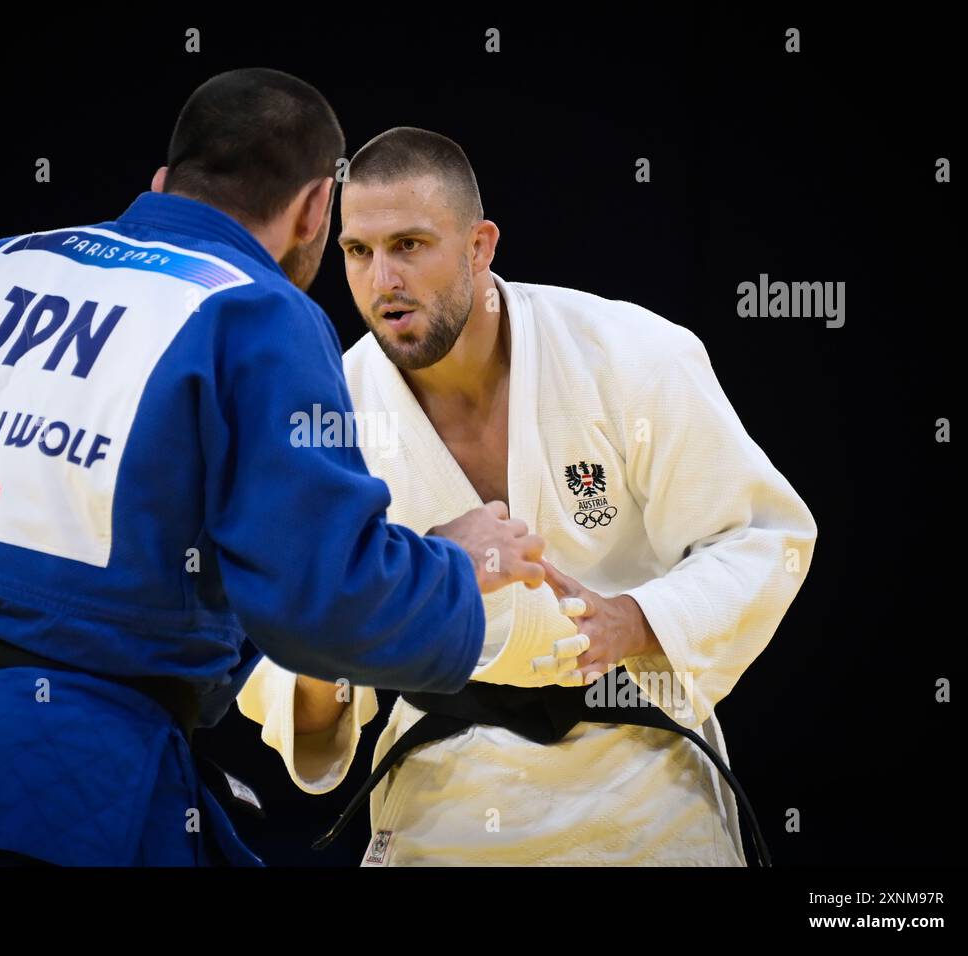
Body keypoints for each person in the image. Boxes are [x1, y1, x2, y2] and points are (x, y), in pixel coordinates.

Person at [0, 77, 548, 867]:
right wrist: (456, 565)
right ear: (311, 212)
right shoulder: (254, 311)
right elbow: (323, 601)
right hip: (86, 787)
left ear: (162, 184)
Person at [238, 127, 818, 866]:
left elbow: (765, 537)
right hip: (445, 784)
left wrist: (634, 621)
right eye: (358, 251)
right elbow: (304, 669)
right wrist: (379, 597)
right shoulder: (334, 415)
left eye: (410, 245)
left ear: (480, 246)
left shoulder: (630, 354)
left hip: (643, 772)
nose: (381, 279)